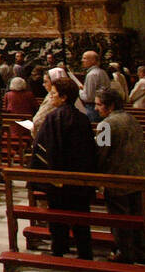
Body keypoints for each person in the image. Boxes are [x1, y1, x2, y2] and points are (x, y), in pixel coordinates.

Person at [30, 74, 97, 259]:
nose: (51, 96)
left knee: (58, 216)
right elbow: (89, 150)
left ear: (64, 97)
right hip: (79, 178)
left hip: (57, 178)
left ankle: (59, 249)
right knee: (81, 217)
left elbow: (42, 147)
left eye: (54, 94)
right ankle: (85, 252)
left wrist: (42, 175)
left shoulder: (53, 118)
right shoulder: (83, 119)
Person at [95, 88, 145, 264]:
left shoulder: (106, 125)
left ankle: (124, 253)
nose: (96, 109)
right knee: (136, 217)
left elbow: (101, 153)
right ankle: (141, 251)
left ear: (109, 106)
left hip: (117, 178)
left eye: (99, 105)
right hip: (138, 177)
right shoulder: (132, 119)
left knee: (120, 219)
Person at [79, 50, 109, 122]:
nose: (82, 60)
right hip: (103, 107)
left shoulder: (92, 75)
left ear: (93, 60)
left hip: (93, 108)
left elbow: (89, 98)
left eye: (85, 58)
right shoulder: (102, 72)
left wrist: (80, 91)